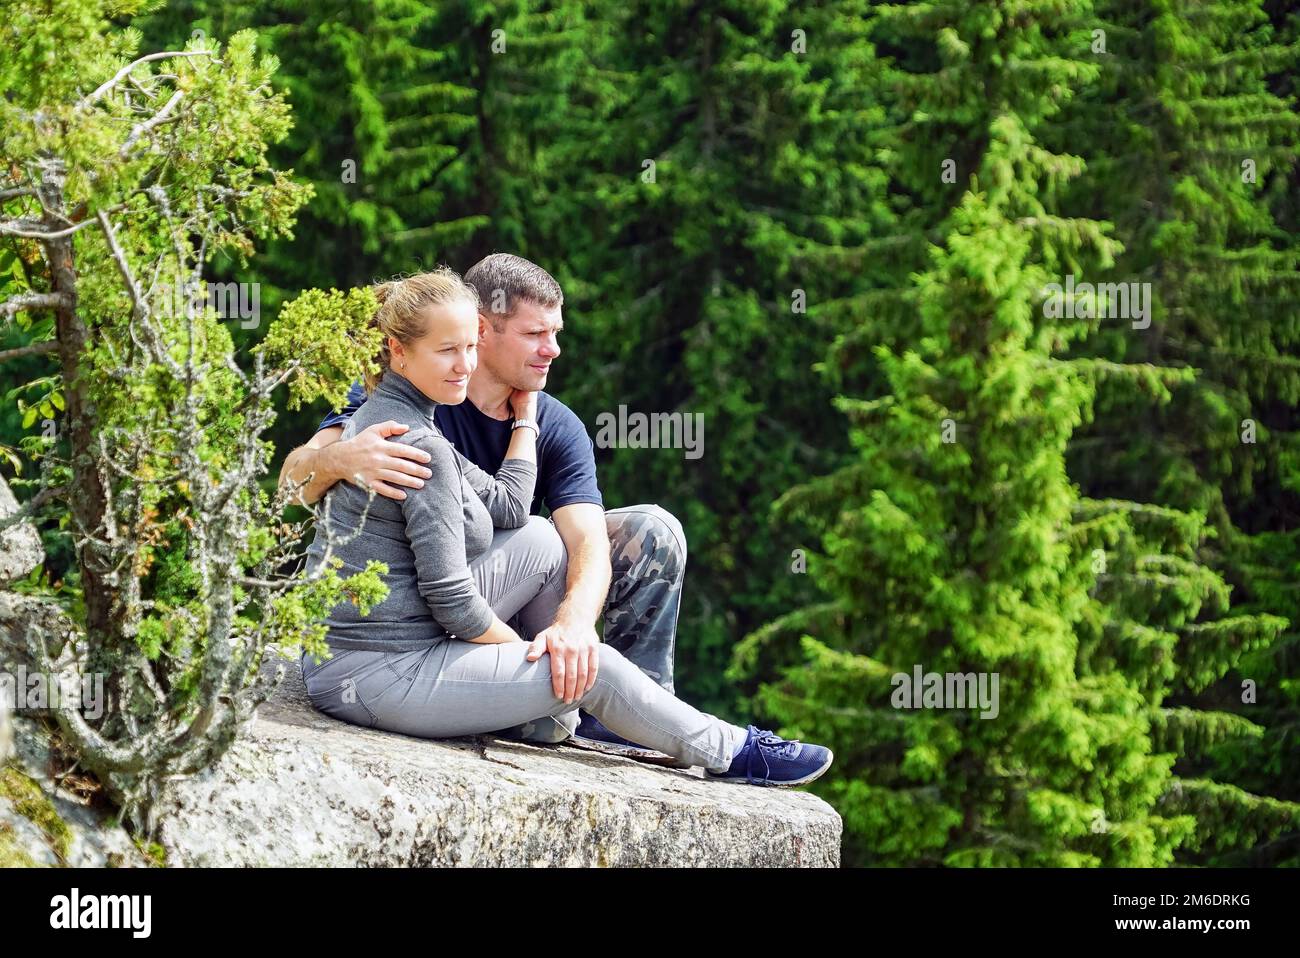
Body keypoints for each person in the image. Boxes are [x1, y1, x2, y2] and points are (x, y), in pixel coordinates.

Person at [297, 268, 834, 787]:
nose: (463, 364)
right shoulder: (405, 439)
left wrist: (525, 422)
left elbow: (512, 510)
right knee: (585, 668)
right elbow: (449, 597)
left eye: (466, 349)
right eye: (448, 351)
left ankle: (571, 707)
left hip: (396, 635)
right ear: (398, 350)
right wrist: (534, 656)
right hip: (375, 671)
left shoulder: (420, 417)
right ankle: (733, 751)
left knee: (539, 535)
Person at [281, 254, 682, 759]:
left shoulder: (555, 422)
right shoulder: (402, 394)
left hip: (495, 602)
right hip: (419, 614)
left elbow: (585, 540)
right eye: (536, 333)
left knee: (649, 530)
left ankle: (618, 717)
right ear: (483, 329)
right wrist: (341, 458)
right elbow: (290, 484)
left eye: (556, 333)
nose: (552, 350)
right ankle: (540, 697)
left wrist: (574, 628)